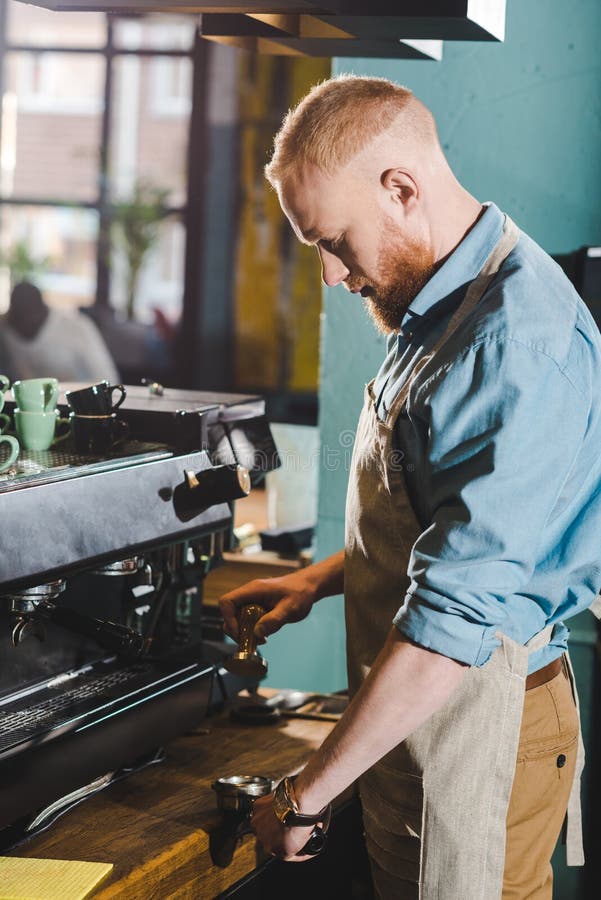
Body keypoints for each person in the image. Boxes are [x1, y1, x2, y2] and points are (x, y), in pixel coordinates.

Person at [220, 76, 601, 900]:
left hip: (479, 720)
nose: (328, 275)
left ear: (399, 190)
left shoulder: (512, 346)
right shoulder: (440, 305)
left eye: (333, 241)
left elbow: (450, 624)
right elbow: (440, 516)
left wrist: (301, 796)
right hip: (428, 708)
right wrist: (320, 580)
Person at [0, 281, 120, 383]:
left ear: (42, 310)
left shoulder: (78, 327)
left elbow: (108, 379)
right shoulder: (6, 328)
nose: (24, 324)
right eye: (18, 318)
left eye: (28, 316)